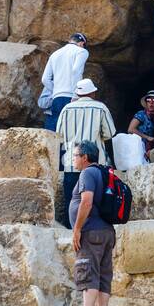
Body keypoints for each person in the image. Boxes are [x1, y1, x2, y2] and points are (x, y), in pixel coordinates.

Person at [54, 78, 116, 228]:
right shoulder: (100, 108)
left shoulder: (66, 109)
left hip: (71, 162)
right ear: (93, 92)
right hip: (95, 163)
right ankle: (94, 227)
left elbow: (59, 134)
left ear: (77, 93)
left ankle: (72, 229)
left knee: (72, 199)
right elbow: (109, 133)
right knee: (96, 198)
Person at [67, 141, 115, 306]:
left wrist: (77, 229)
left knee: (88, 271)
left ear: (85, 157)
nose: (74, 159)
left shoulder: (87, 173)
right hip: (106, 232)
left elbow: (86, 202)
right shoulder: (104, 172)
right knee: (104, 275)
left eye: (76, 155)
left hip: (91, 231)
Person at [41, 32, 88, 131]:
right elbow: (76, 71)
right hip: (71, 96)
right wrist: (76, 94)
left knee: (54, 131)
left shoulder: (55, 54)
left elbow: (45, 79)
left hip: (56, 97)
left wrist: (56, 90)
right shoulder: (82, 52)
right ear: (82, 43)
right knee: (71, 131)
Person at [127, 90, 154, 157]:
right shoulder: (141, 114)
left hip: (153, 148)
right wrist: (147, 137)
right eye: (148, 100)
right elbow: (130, 129)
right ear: (146, 103)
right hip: (139, 147)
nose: (151, 103)